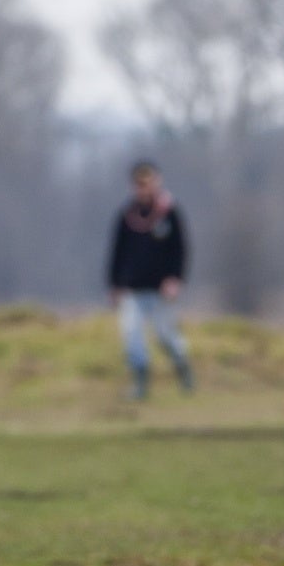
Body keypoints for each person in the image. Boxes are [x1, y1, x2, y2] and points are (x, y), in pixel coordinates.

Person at [106, 160, 194, 400]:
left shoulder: (169, 212)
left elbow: (181, 250)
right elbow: (117, 252)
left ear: (156, 182)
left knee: (165, 335)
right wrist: (114, 284)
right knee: (132, 336)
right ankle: (140, 384)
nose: (143, 188)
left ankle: (183, 368)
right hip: (132, 288)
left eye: (148, 182)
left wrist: (175, 279)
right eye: (139, 183)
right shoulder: (127, 215)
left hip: (160, 289)